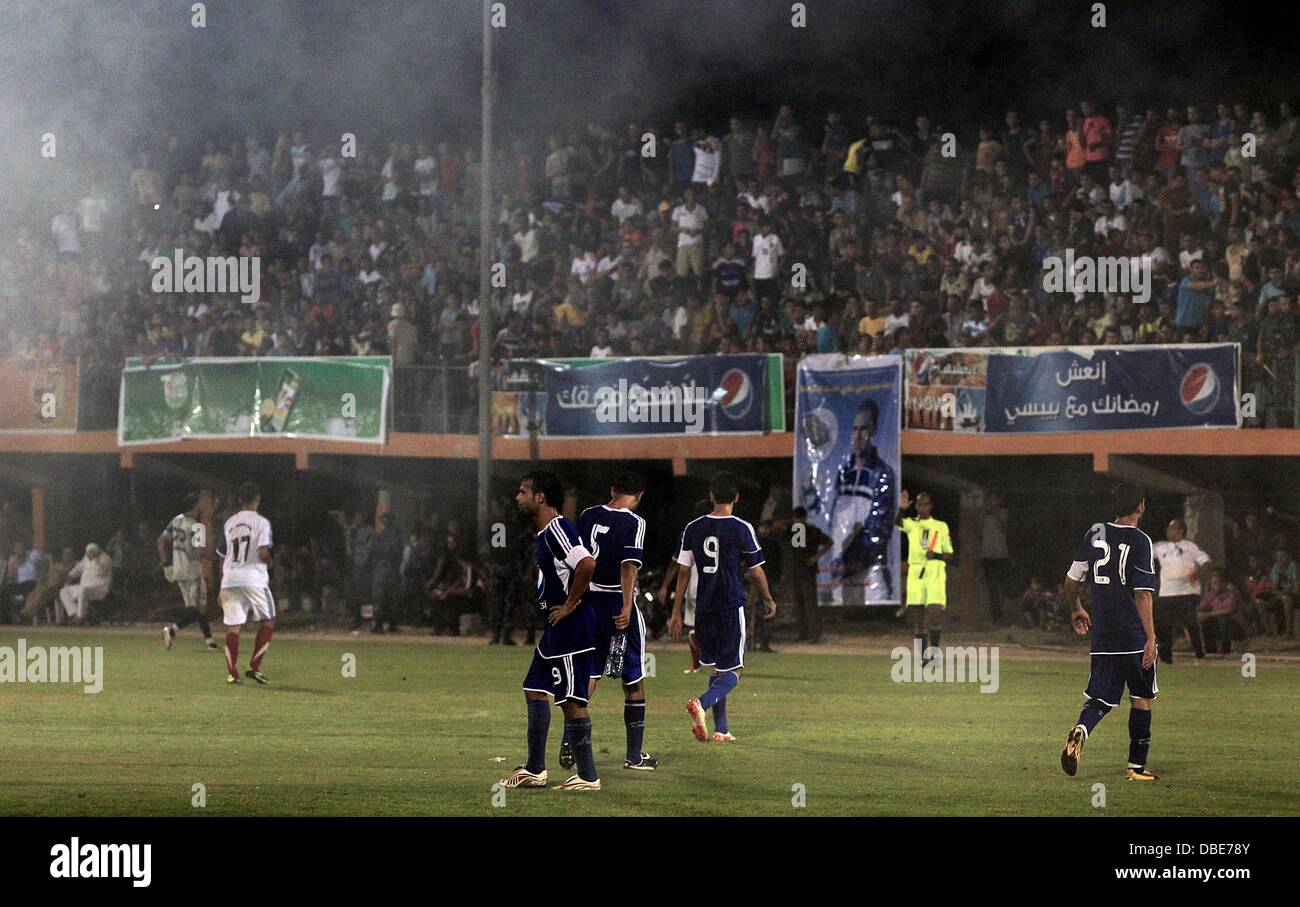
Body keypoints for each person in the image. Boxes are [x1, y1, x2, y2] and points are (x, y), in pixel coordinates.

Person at [498, 470, 600, 791]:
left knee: (572, 702)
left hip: (570, 629)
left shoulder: (557, 528)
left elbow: (587, 564)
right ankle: (535, 769)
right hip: (555, 632)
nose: (518, 497)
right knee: (534, 687)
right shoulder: (545, 533)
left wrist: (570, 604)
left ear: (541, 496)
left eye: (523, 491)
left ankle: (588, 776)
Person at [1059, 483, 1160, 782]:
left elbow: (1070, 580)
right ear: (1141, 506)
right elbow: (1143, 594)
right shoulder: (1141, 541)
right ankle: (1136, 767)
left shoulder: (1095, 532)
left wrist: (1076, 608)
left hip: (1102, 636)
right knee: (1141, 697)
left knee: (1100, 698)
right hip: (1132, 635)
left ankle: (1081, 730)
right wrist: (1151, 637)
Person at [669, 472, 778, 743]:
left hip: (703, 607)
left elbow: (683, 571)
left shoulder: (693, 528)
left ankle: (721, 729)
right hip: (730, 604)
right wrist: (767, 597)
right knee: (734, 671)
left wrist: (675, 612)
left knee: (718, 670)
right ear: (736, 497)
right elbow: (755, 570)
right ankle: (701, 704)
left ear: (711, 495)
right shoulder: (742, 527)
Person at [568, 471, 657, 772]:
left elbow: (579, 560)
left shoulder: (589, 515)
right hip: (617, 605)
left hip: (588, 603)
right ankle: (634, 756)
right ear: (639, 496)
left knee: (590, 672)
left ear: (613, 489)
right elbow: (629, 567)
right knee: (632, 679)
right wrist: (628, 607)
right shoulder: (635, 522)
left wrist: (574, 598)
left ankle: (571, 734)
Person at [825, 397, 896, 604]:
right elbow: (835, 517)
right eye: (855, 429)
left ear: (873, 431)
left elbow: (880, 524)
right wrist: (837, 552)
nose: (858, 435)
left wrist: (854, 552)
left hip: (868, 565)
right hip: (842, 564)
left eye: (864, 429)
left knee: (875, 603)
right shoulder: (843, 472)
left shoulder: (882, 473)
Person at [217, 483, 276, 685]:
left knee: (234, 627)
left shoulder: (229, 523)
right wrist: (270, 561)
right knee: (268, 620)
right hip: (253, 578)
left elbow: (222, 556)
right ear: (257, 499)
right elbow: (262, 552)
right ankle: (254, 666)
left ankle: (232, 674)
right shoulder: (262, 522)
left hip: (230, 578)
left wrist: (220, 585)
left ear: (239, 500)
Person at [896, 489, 954, 663]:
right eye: (919, 504)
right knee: (919, 617)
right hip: (916, 571)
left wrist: (935, 555)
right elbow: (897, 522)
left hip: (935, 570)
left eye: (925, 504)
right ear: (917, 506)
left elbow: (950, 554)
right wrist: (902, 509)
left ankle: (935, 655)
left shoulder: (940, 526)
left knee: (934, 613)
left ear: (930, 506)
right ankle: (923, 658)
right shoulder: (911, 524)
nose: (922, 507)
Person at [657, 499, 712, 673]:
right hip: (717, 588)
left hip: (694, 587)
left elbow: (677, 566)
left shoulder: (688, 533)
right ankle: (712, 662)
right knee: (710, 627)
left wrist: (665, 586)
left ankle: (698, 664)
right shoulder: (721, 530)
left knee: (697, 628)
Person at [158, 491, 217, 650]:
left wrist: (165, 563)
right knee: (198, 608)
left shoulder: (176, 520)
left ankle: (209, 641)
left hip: (179, 570)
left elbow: (161, 541)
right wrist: (211, 556)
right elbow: (198, 552)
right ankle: (172, 630)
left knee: (197, 608)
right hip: (192, 571)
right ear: (196, 506)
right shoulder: (197, 527)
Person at [1152, 518, 1210, 664]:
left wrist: (1197, 574)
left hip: (1187, 591)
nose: (1168, 531)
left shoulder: (1190, 547)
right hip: (1167, 592)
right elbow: (1141, 553)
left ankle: (1199, 655)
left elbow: (1206, 562)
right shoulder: (1160, 547)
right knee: (1162, 624)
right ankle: (1166, 657)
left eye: (1172, 528)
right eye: (1168, 528)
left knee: (1191, 623)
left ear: (1180, 531)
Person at [1197, 568, 1248, 655]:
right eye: (1213, 583)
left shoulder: (1231, 593)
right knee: (1204, 620)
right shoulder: (1211, 595)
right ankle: (1211, 651)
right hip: (1218, 626)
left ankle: (1226, 650)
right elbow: (1200, 607)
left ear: (1224, 583)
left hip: (1234, 627)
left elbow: (1229, 610)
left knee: (1221, 618)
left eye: (1217, 582)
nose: (1214, 585)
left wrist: (1208, 614)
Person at [59, 543, 112, 624]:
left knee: (83, 590)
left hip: (98, 589)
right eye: (87, 552)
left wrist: (95, 559)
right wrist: (70, 575)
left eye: (91, 552)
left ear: (96, 552)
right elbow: (78, 568)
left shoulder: (105, 559)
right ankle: (75, 614)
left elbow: (100, 571)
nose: (88, 554)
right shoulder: (86, 558)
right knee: (63, 591)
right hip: (83, 587)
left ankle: (81, 617)